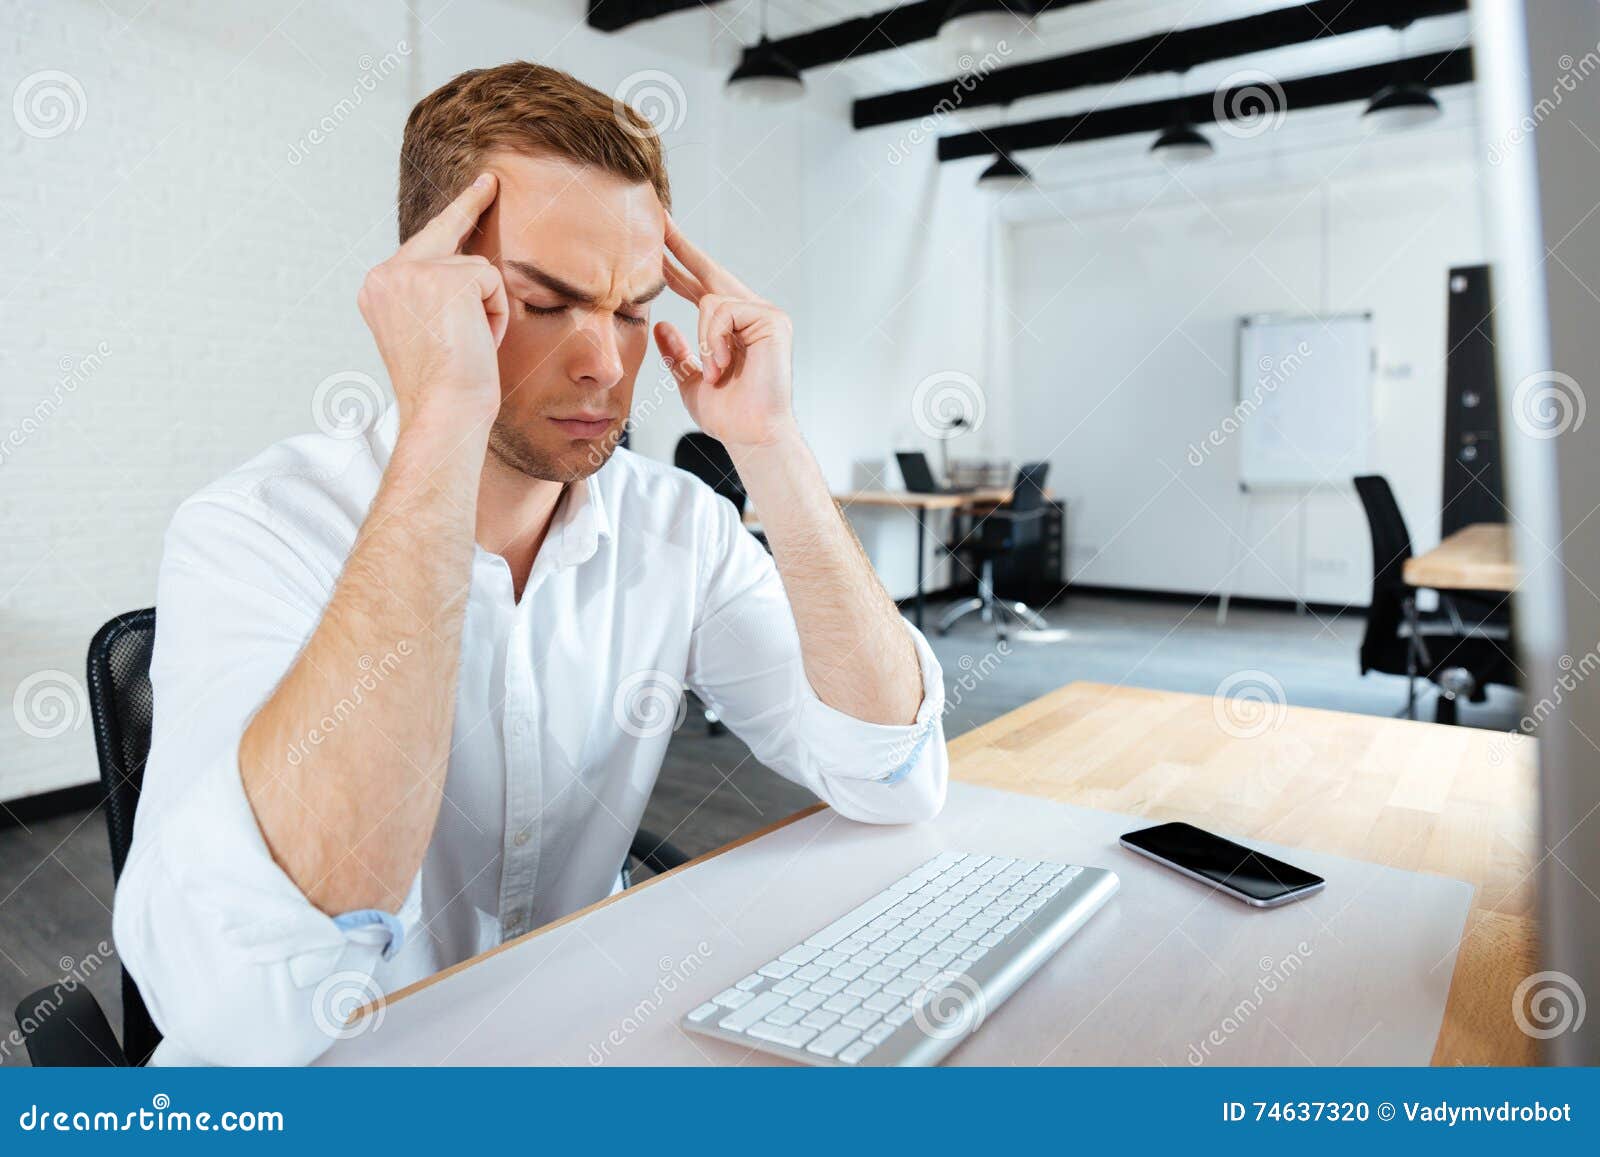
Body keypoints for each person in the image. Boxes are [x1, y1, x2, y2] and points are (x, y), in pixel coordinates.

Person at [113, 61, 948, 1065]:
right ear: (432, 296)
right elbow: (246, 1007)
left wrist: (767, 440)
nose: (605, 360)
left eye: (635, 309)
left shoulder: (678, 524)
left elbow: (892, 775)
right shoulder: (254, 528)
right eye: (543, 304)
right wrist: (445, 413)